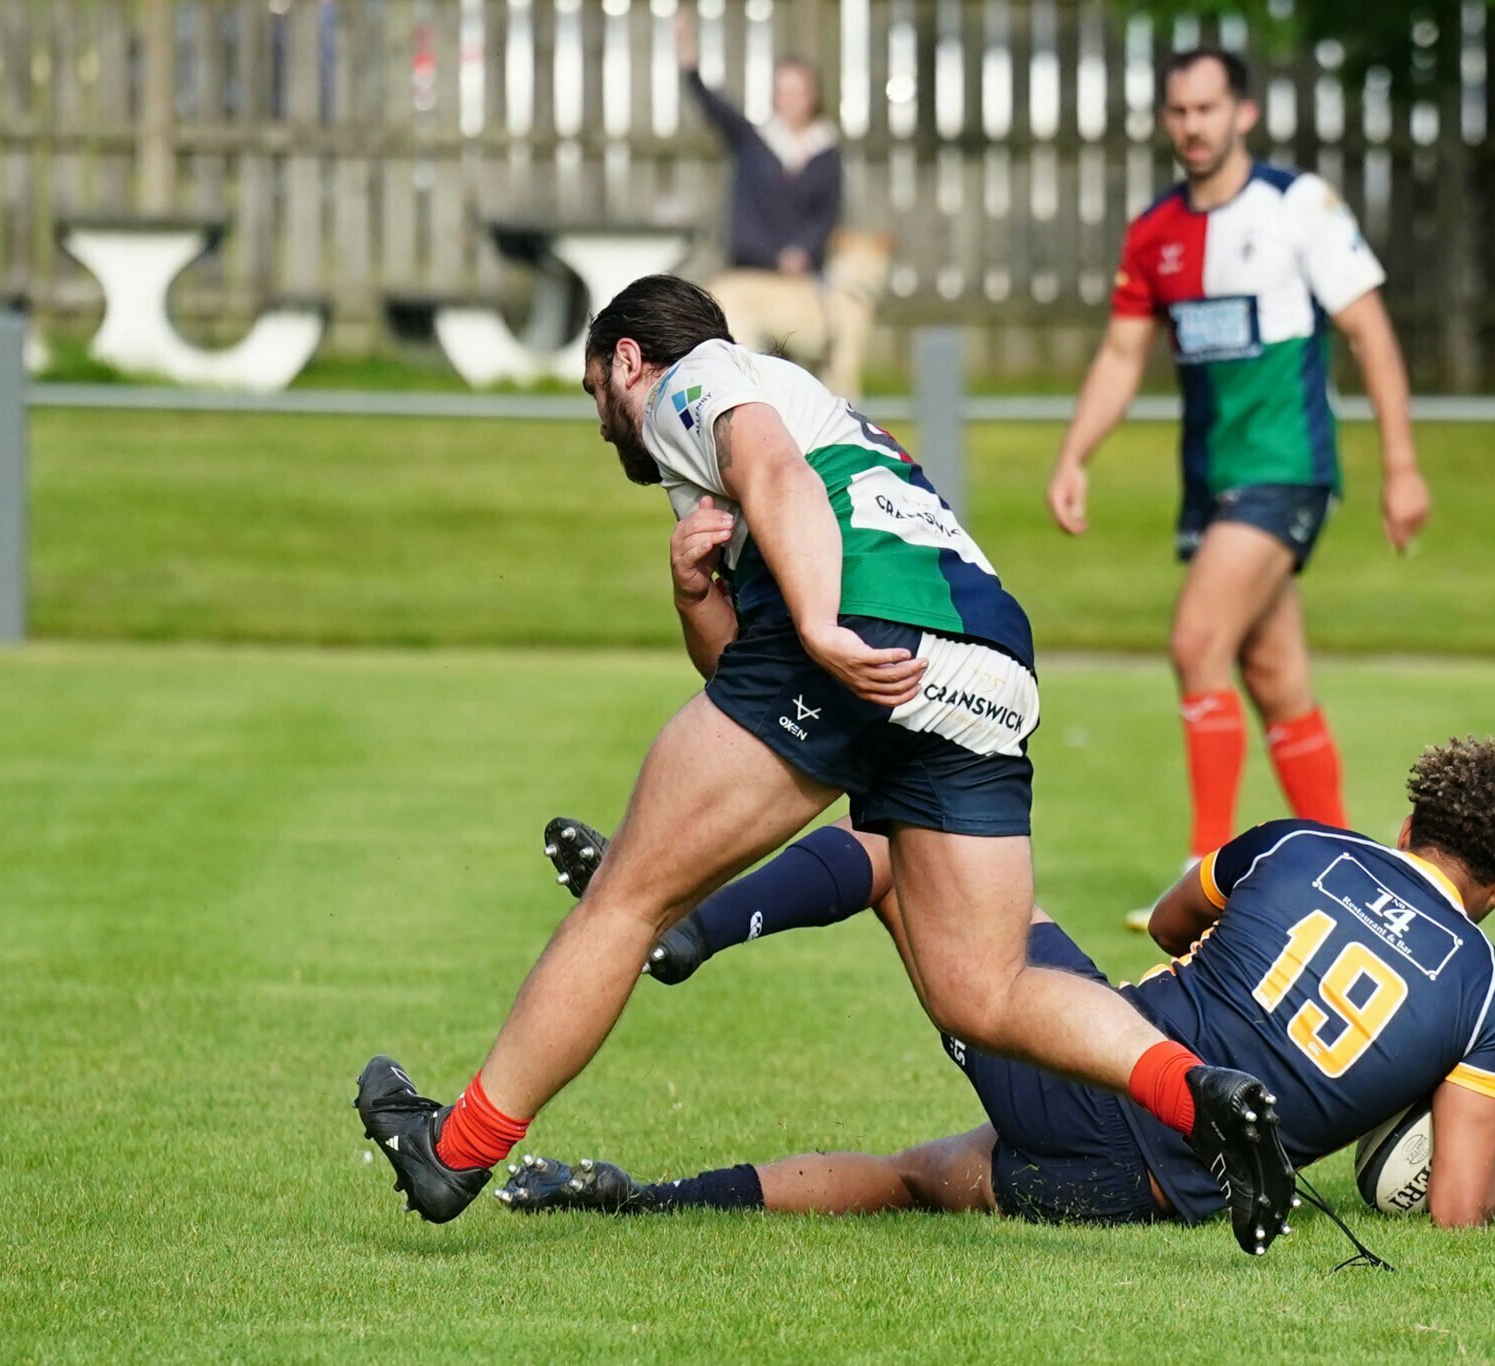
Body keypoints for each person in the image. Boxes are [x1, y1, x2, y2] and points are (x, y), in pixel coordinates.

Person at [354, 275, 1296, 1257]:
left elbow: (775, 478)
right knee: (987, 990)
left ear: (627, 359)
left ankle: (451, 1149)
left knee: (625, 901)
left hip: (866, 628)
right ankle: (1200, 1097)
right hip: (986, 664)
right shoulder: (818, 421)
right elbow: (747, 694)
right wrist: (695, 593)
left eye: (596, 393)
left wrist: (818, 624)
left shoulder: (695, 382)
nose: (602, 426)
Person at [499, 737, 1495, 1236]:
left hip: (1086, 1071)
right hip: (1155, 1193)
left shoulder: (1299, 843)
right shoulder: (1487, 997)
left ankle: (686, 925)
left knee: (888, 840)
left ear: (1406, 826)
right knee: (917, 1177)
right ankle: (641, 1199)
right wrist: (1466, 1145)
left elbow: (1164, 920)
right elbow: (1459, 1213)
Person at [1044, 48, 1432, 925]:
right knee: (1273, 675)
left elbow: (1370, 332)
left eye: (1208, 108)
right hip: (1211, 486)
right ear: (1165, 120)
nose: (1193, 125)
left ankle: (1203, 879)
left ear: (1243, 114)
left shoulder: (1299, 208)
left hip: (1284, 469)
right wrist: (1075, 455)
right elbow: (1119, 355)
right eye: (1178, 110)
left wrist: (1401, 465)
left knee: (1195, 640)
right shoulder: (1155, 233)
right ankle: (1350, 881)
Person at [678, 10, 841, 278]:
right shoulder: (752, 140)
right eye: (784, 92)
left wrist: (801, 252)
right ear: (774, 96)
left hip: (803, 272)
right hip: (751, 266)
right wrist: (687, 51)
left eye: (798, 92)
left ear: (812, 96)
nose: (791, 100)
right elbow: (710, 102)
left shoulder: (826, 150)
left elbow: (827, 212)